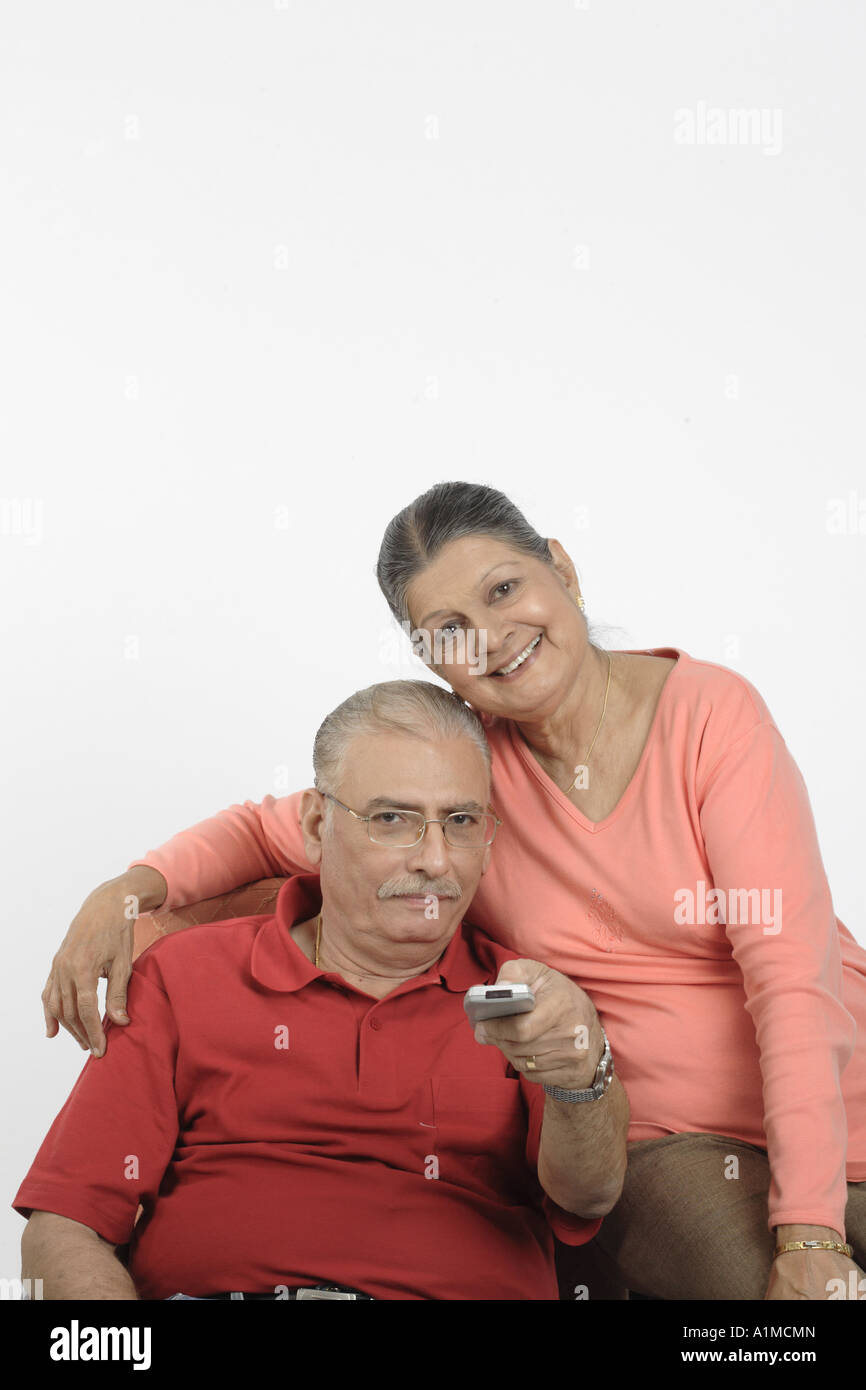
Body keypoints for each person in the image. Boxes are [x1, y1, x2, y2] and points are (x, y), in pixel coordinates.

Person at [42, 481, 866, 1300]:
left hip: (838, 1099)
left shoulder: (711, 715)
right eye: (449, 631)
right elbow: (271, 830)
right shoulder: (463, 782)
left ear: (563, 570)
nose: (493, 638)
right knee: (784, 1317)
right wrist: (127, 891)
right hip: (668, 1145)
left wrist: (811, 1228)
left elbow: (791, 977)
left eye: (505, 589)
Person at [16, 681, 628, 1301]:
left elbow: (587, 1197)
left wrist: (580, 1073)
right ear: (315, 823)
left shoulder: (527, 996)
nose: (437, 862)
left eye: (462, 821)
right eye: (393, 819)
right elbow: (67, 1223)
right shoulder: (184, 974)